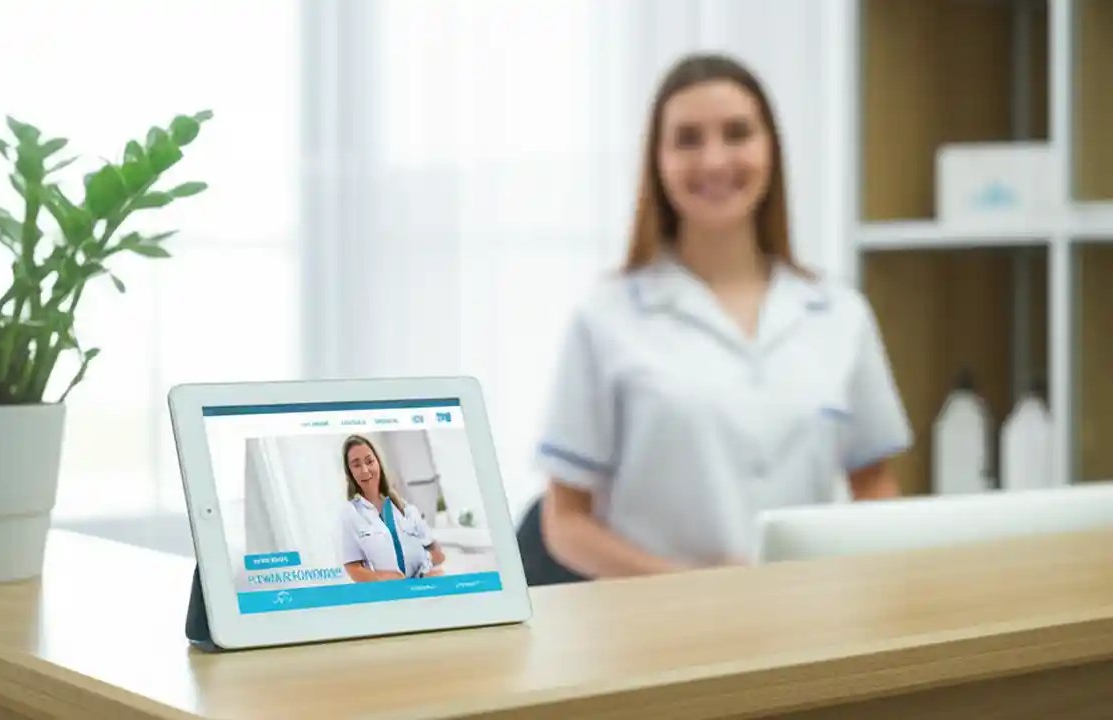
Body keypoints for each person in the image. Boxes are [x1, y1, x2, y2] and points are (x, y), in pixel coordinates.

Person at [534, 53, 912, 580]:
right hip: (658, 621)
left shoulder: (839, 314)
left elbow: (874, 487)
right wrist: (692, 589)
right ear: (658, 161)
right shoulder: (606, 317)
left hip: (804, 613)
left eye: (737, 134)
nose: (714, 161)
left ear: (770, 148)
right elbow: (565, 522)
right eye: (687, 140)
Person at [338, 434, 447, 581]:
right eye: (356, 465)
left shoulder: (405, 508)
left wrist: (425, 570)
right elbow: (354, 570)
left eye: (369, 461)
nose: (365, 470)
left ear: (378, 463)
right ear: (350, 472)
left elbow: (437, 553)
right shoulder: (350, 514)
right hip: (386, 592)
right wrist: (384, 578)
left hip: (419, 586)